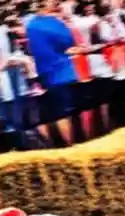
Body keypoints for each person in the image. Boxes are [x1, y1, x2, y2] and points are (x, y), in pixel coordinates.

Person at [26, 0, 79, 144]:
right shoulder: (52, 23)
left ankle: (60, 145)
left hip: (44, 72)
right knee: (66, 112)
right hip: (62, 70)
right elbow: (68, 41)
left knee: (53, 112)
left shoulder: (30, 24)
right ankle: (72, 144)